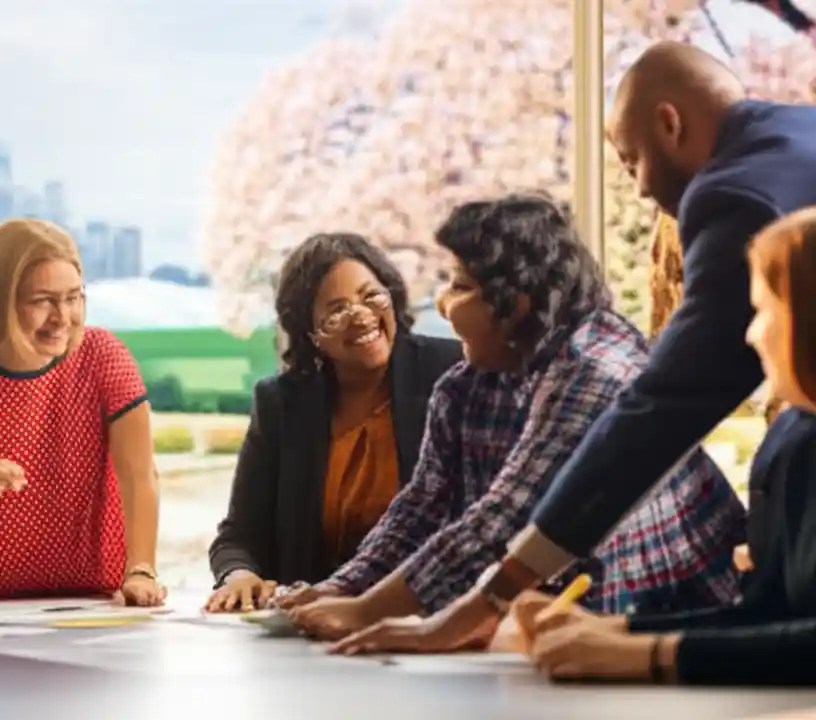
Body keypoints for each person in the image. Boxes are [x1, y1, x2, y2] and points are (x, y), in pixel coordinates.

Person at [326, 40, 816, 655]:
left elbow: (660, 412)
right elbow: (424, 504)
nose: (639, 192)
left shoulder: (732, 199)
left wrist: (477, 607)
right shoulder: (799, 137)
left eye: (633, 162)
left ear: (670, 123)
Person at [284, 195, 744, 646]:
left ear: (517, 302)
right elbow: (422, 507)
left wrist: (367, 611)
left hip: (681, 629)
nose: (443, 303)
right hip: (566, 635)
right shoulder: (466, 387)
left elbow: (504, 519)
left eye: (460, 286)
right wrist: (342, 589)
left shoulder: (597, 370)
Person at [513, 206, 816, 685]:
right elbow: (770, 613)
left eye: (764, 312)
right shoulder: (795, 437)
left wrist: (645, 655)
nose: (750, 335)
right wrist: (616, 630)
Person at [205, 233, 462, 612]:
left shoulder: (449, 372)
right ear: (312, 335)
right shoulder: (281, 404)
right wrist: (238, 575)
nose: (360, 315)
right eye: (337, 310)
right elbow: (237, 536)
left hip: (426, 611)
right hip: (310, 625)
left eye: (370, 295)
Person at [0, 218, 163, 604]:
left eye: (74, 297)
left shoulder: (105, 357)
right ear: (0, 303)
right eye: (43, 301)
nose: (63, 316)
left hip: (96, 599)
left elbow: (140, 476)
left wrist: (141, 570)